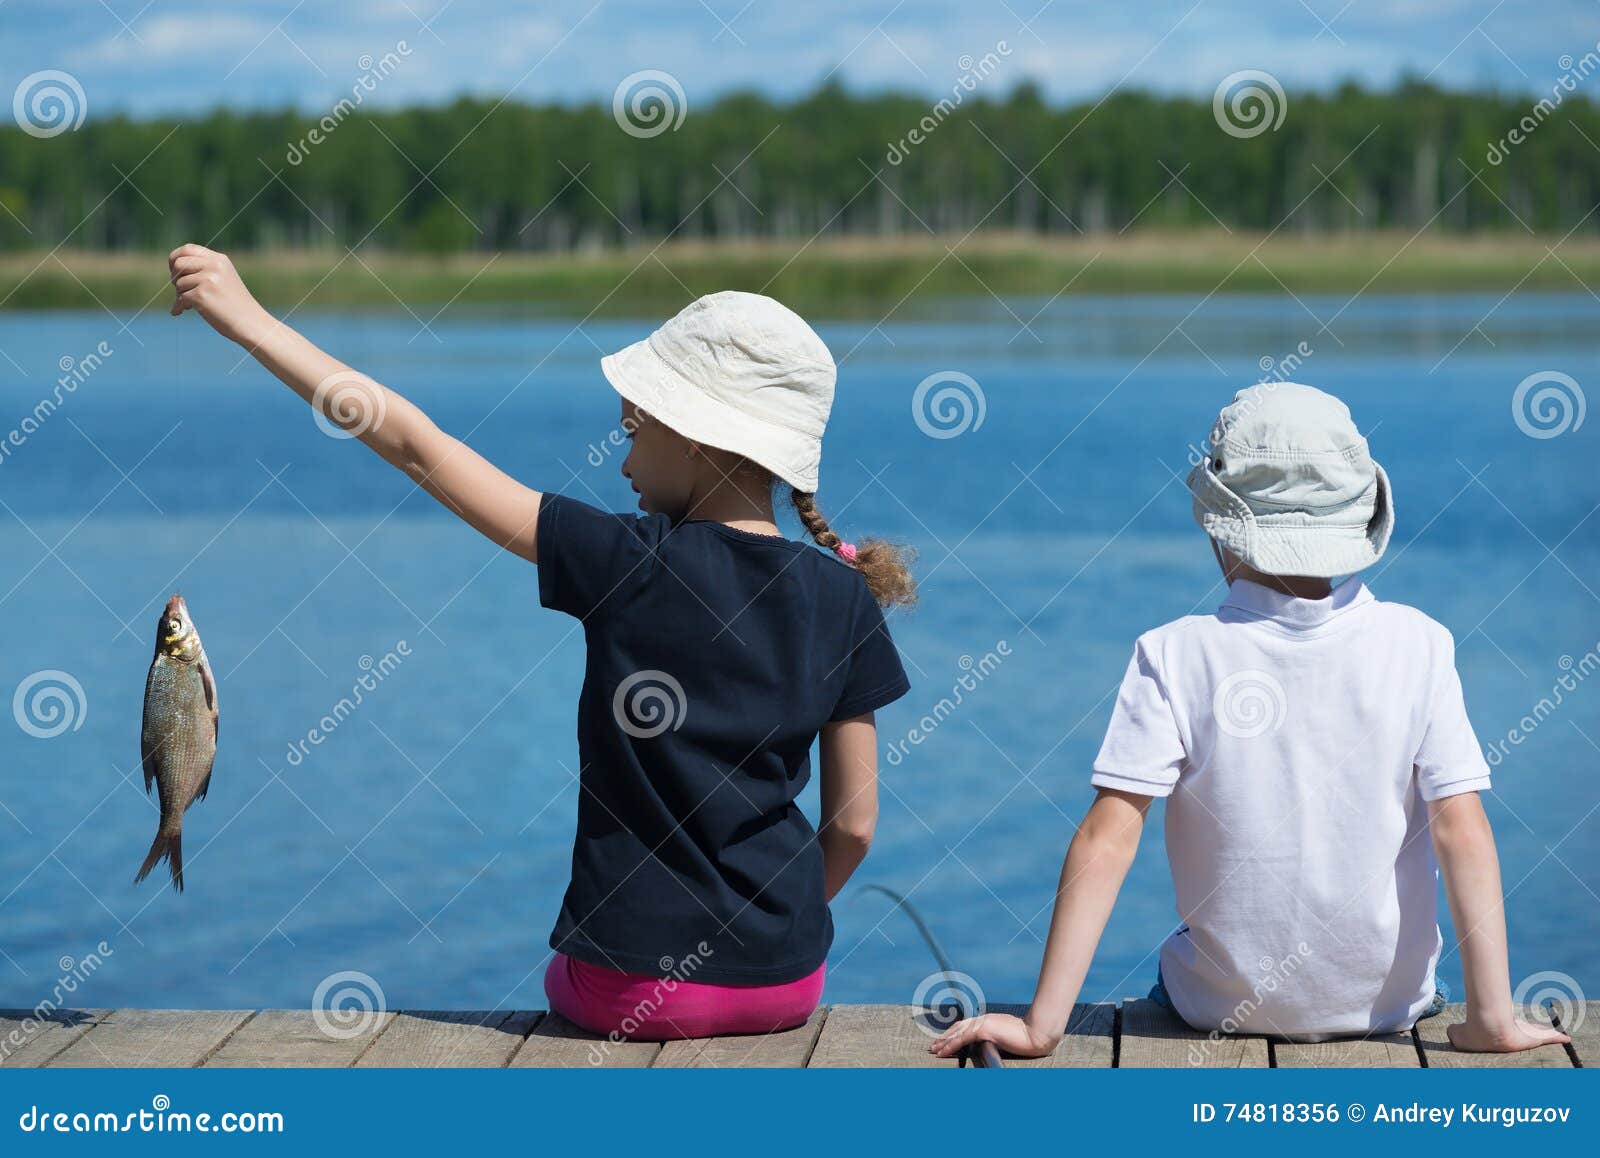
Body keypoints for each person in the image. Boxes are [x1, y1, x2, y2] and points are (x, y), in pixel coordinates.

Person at [167, 245, 914, 1041]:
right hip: (788, 982)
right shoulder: (844, 593)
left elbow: (417, 445)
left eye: (635, 425)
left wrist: (249, 323)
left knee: (561, 975)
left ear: (697, 437)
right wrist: (770, 939)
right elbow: (856, 828)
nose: (624, 457)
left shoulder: (626, 563)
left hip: (627, 987)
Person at [932, 382, 1571, 1057]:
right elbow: (1463, 832)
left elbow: (1106, 841)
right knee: (1428, 983)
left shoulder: (1173, 653)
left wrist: (1041, 1025)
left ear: (1220, 524)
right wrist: (1494, 1018)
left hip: (1217, 1007)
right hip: (1389, 1006)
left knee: (1176, 967)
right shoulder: (1421, 644)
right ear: (1354, 521)